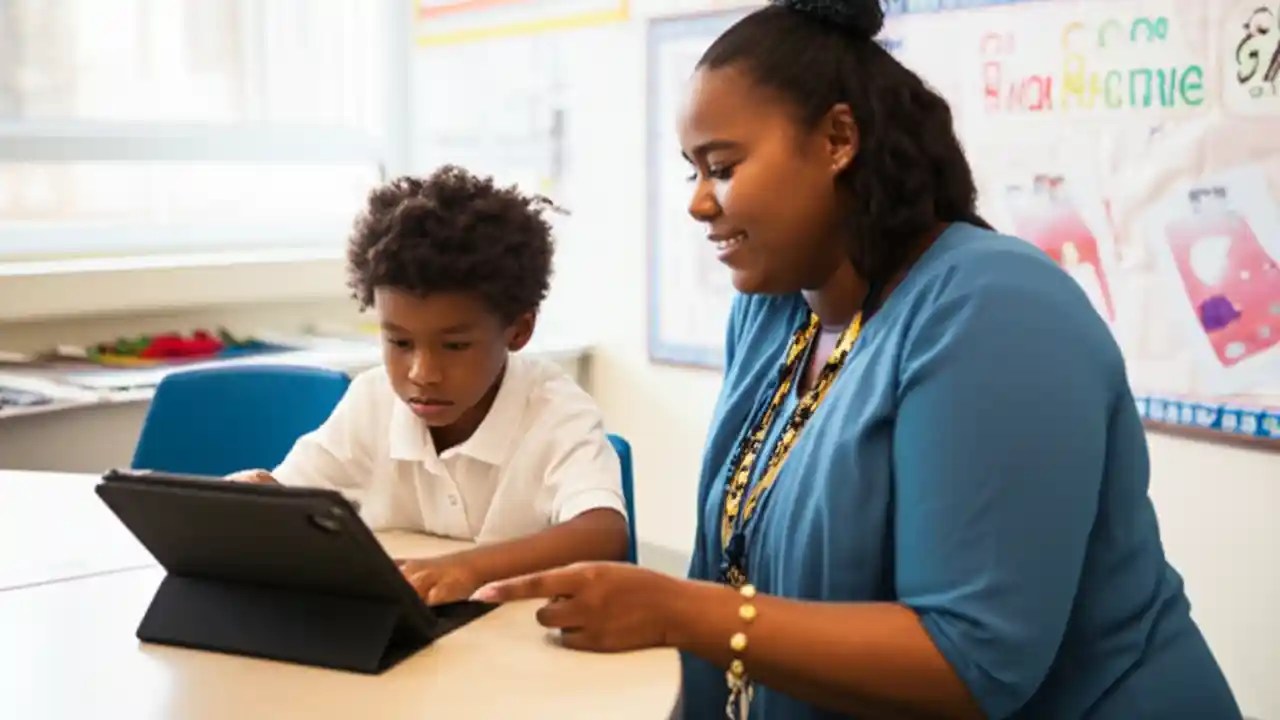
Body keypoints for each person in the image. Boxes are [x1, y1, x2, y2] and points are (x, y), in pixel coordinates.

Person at [470, 2, 1242, 718]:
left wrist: (678, 612)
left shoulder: (996, 308)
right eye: (692, 170)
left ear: (839, 140)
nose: (699, 202)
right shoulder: (777, 311)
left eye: (724, 166)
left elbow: (973, 663)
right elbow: (730, 570)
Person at [229, 165, 630, 606]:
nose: (422, 372)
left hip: (522, 646)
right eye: (399, 341)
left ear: (518, 330)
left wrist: (467, 567)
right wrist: (257, 494)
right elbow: (290, 499)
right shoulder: (372, 400)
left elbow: (602, 534)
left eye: (455, 345)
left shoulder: (555, 412)